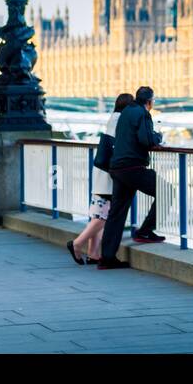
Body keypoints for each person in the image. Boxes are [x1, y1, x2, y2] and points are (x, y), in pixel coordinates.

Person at [97, 85, 165, 268]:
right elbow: (146, 139)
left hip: (117, 167)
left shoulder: (126, 112)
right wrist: (158, 137)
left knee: (116, 213)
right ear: (149, 102)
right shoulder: (143, 114)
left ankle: (107, 258)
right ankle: (145, 231)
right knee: (166, 191)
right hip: (133, 167)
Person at [67, 93, 134, 266]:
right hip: (109, 176)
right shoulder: (122, 121)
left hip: (101, 173)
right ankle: (77, 243)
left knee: (98, 213)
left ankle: (93, 253)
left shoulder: (113, 118)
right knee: (104, 216)